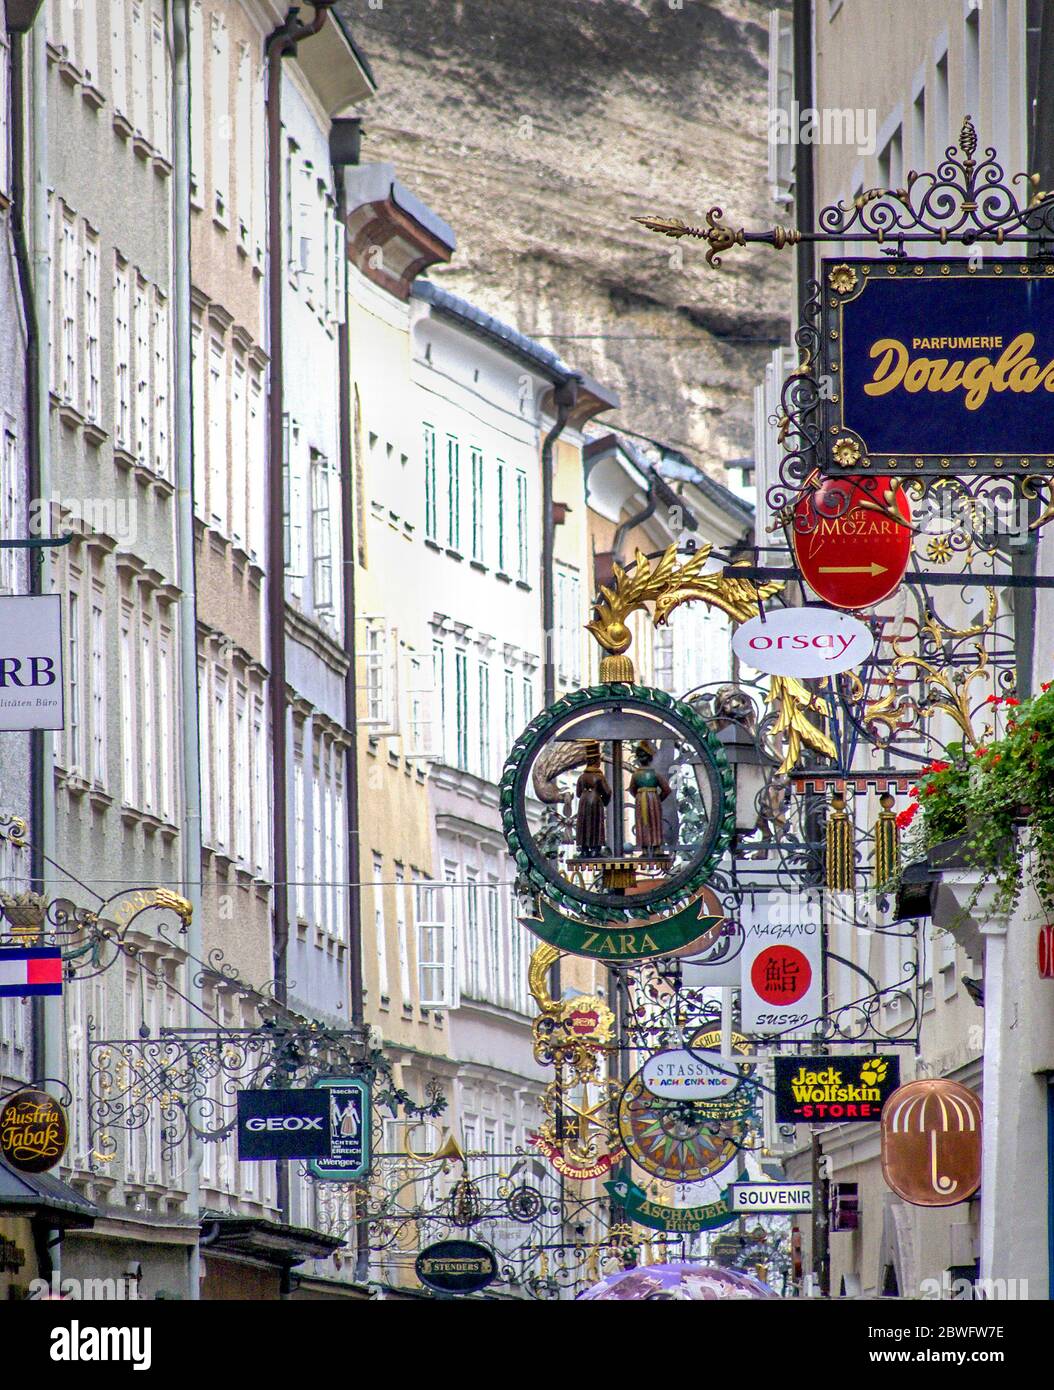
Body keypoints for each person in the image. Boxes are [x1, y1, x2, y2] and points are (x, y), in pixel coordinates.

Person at [630, 741, 670, 853]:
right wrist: (655, 799)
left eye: (644, 755)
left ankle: (655, 846)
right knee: (643, 822)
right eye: (640, 755)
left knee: (653, 822)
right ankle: (645, 847)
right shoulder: (637, 774)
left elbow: (666, 790)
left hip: (648, 799)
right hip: (649, 799)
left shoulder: (653, 774)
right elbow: (632, 789)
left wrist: (657, 800)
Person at [575, 742, 611, 856]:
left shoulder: (582, 777)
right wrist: (604, 802)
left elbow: (578, 793)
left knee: (584, 823)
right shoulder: (599, 776)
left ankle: (584, 849)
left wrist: (584, 797)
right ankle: (596, 848)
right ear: (596, 761)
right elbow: (608, 792)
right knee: (595, 823)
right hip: (595, 800)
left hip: (584, 801)